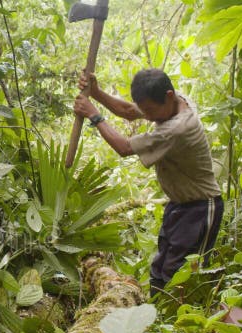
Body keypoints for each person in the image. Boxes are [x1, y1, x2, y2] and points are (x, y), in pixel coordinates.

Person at [72, 68, 223, 297]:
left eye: (151, 111)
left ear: (169, 96)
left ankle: (185, 327)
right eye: (146, 110)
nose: (148, 117)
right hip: (179, 205)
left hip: (201, 208)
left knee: (184, 278)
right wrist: (96, 92)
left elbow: (123, 148)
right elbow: (129, 111)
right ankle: (159, 319)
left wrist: (95, 115)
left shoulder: (179, 127)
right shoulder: (173, 102)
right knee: (161, 269)